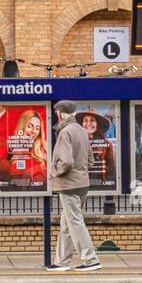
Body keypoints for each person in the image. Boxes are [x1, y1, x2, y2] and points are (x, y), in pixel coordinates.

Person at [48, 101, 100, 271]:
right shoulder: (81, 131)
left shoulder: (65, 132)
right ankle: (61, 261)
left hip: (68, 185)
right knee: (67, 223)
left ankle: (91, 259)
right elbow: (91, 160)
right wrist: (81, 170)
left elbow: (67, 162)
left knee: (75, 222)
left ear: (61, 114)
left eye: (57, 112)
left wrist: (54, 171)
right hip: (82, 184)